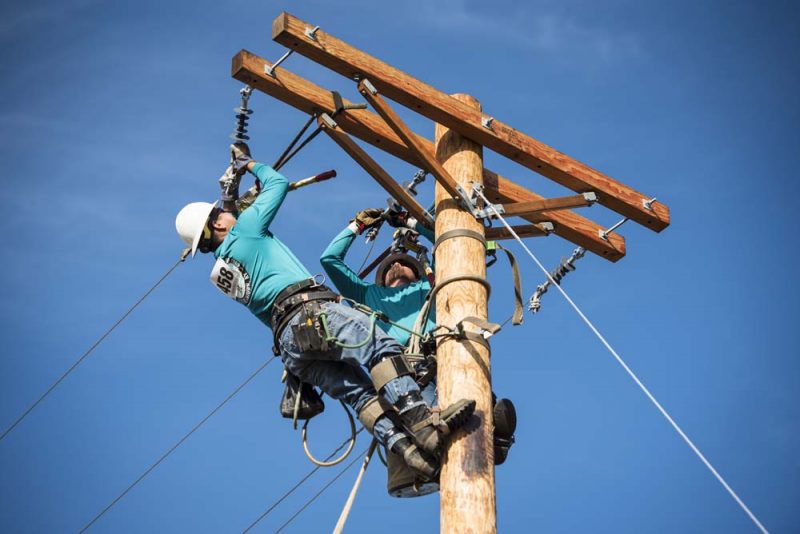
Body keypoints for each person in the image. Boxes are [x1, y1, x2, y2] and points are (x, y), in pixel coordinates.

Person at [174, 144, 474, 481]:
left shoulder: (221, 274)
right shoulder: (245, 231)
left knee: (360, 393)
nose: (231, 214)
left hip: (291, 349)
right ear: (217, 225)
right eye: (223, 214)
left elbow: (260, 292)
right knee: (379, 343)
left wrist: (236, 202)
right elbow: (277, 183)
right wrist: (249, 164)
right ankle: (422, 422)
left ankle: (410, 454)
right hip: (311, 315)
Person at [320, 208, 517, 496]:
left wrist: (410, 222)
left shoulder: (434, 286)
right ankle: (425, 466)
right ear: (381, 279)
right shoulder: (368, 296)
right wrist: (357, 226)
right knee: (431, 423)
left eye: (403, 263)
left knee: (479, 415)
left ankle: (491, 440)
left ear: (416, 271)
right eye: (389, 267)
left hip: (448, 360)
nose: (396, 267)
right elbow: (330, 260)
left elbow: (447, 240)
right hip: (407, 374)